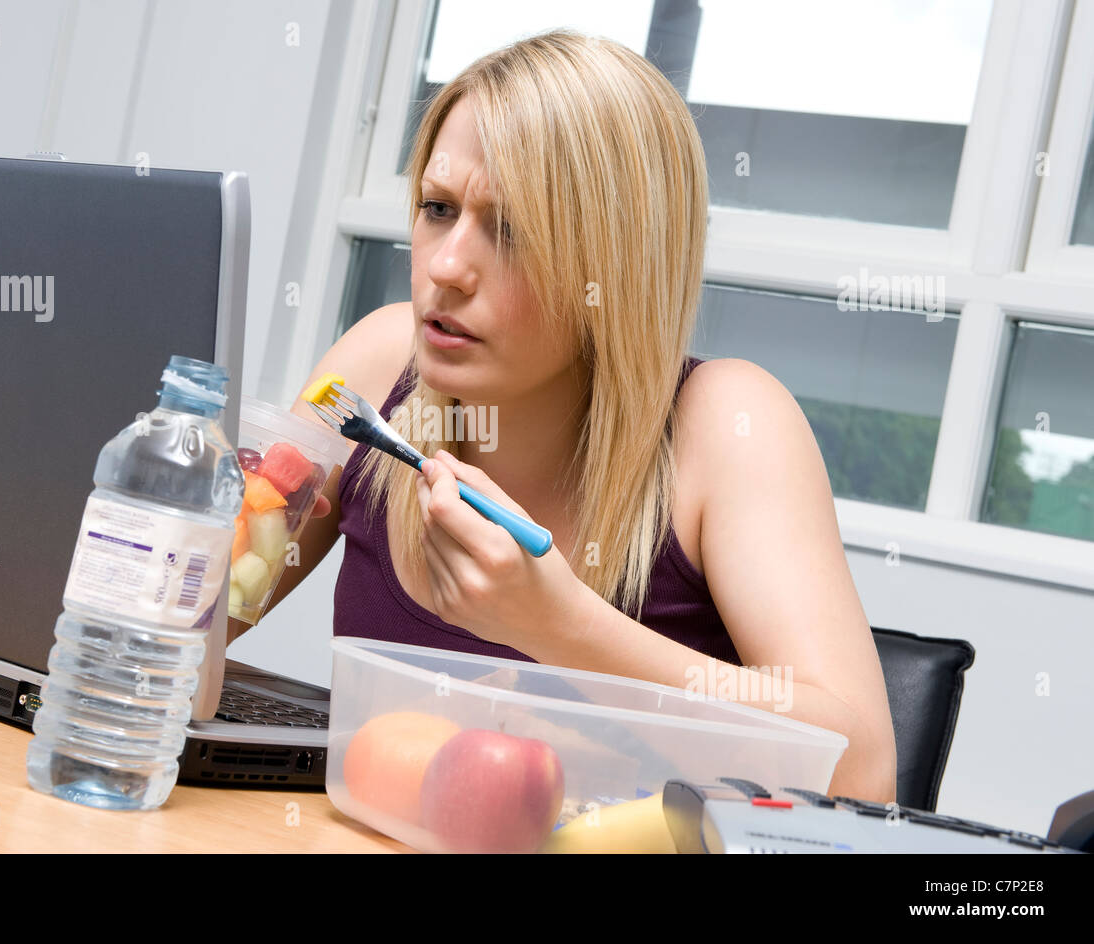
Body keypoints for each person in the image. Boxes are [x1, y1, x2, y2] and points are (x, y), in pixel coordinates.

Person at [256, 30, 896, 803]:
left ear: (617, 264)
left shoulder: (726, 424)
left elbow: (861, 775)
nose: (446, 267)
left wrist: (562, 628)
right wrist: (184, 534)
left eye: (514, 228)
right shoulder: (379, 363)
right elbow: (181, 637)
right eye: (437, 207)